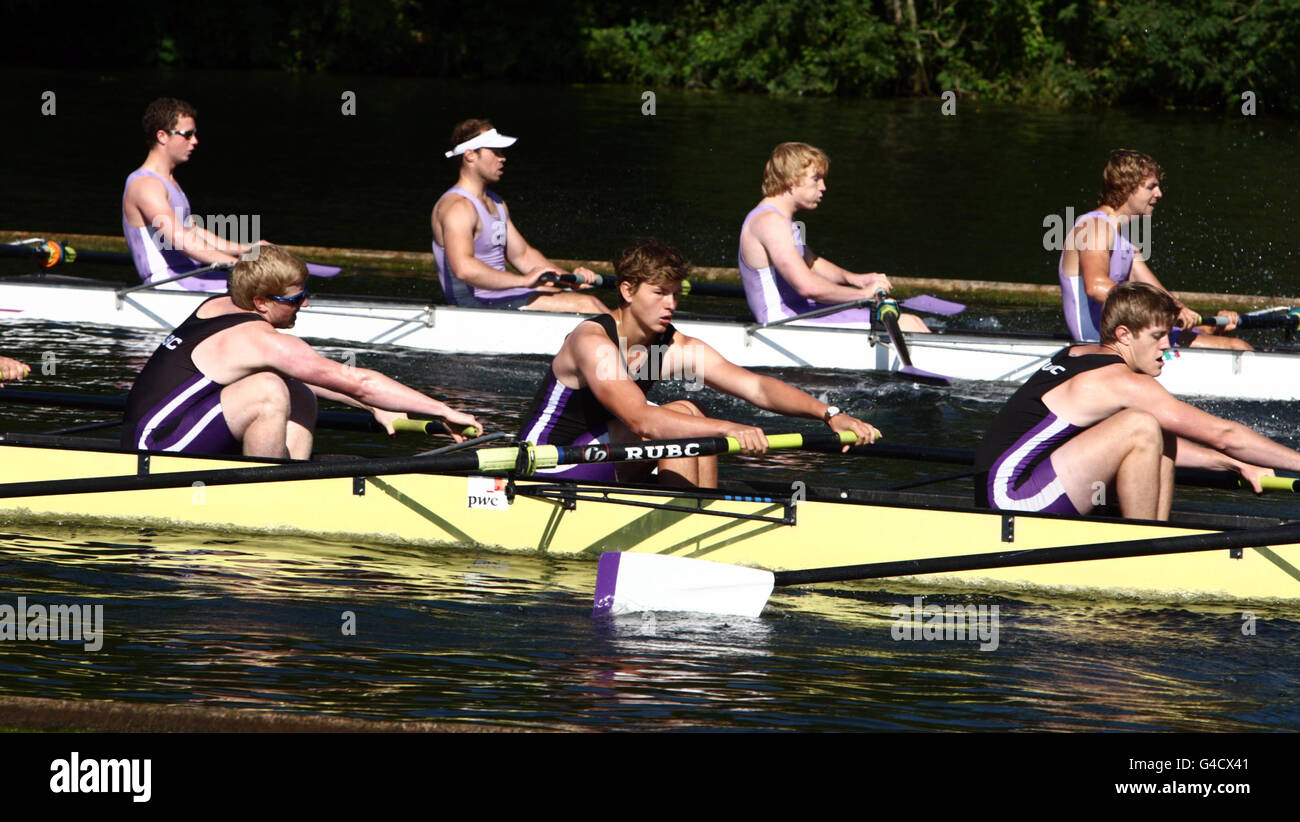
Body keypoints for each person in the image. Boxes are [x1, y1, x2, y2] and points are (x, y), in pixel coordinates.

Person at [519, 238, 881, 488]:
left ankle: (699, 510)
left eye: (675, 293)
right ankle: (689, 518)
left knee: (690, 410)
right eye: (659, 293)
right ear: (628, 291)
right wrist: (728, 430)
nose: (671, 305)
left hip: (602, 460)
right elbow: (640, 420)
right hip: (542, 468)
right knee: (678, 418)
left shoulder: (671, 345)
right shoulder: (593, 343)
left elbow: (755, 387)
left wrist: (830, 413)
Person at [973, 282, 1298, 521]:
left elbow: (1167, 444)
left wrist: (1234, 463)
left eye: (1168, 337)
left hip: (1013, 484)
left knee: (1155, 427)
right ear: (1125, 335)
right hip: (1013, 502)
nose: (1166, 348)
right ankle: (1143, 546)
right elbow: (1224, 434)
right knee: (1142, 425)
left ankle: (1152, 534)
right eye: (1157, 337)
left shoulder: (1080, 352)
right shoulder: (1119, 381)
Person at [121, 244, 480, 458]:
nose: (304, 304)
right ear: (261, 301)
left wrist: (376, 407)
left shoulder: (220, 304)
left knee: (298, 391)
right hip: (156, 448)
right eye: (294, 299)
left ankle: (289, 475)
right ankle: (263, 493)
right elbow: (356, 379)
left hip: (167, 427)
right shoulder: (262, 340)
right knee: (269, 391)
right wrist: (443, 410)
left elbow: (324, 378)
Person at [121, 97, 337, 293]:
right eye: (187, 134)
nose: (195, 141)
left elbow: (193, 231)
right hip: (166, 283)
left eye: (194, 134)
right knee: (271, 289)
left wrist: (248, 249)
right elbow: (181, 239)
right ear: (162, 136)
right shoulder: (145, 185)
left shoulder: (168, 182)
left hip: (192, 275)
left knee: (286, 286)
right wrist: (241, 265)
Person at [1058, 148, 1249, 349]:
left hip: (1129, 336)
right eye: (1151, 187)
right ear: (1126, 188)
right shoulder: (1096, 226)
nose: (1159, 193)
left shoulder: (1124, 237)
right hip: (1099, 344)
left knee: (1223, 338)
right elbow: (1096, 286)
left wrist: (1189, 315)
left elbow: (1157, 293)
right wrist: (1166, 310)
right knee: (1236, 347)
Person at [738, 141, 928, 332]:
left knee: (911, 321)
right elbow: (808, 287)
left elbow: (811, 262)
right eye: (816, 179)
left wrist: (856, 279)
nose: (823, 187)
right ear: (790, 179)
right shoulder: (771, 222)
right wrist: (863, 295)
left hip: (800, 310)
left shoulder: (782, 220)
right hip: (780, 320)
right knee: (908, 324)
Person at [431, 119, 608, 314]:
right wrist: (523, 281)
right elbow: (463, 268)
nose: (503, 158)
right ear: (470, 156)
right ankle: (627, 343)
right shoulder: (457, 207)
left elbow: (522, 255)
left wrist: (567, 281)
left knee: (589, 301)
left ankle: (629, 343)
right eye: (495, 152)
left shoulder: (496, 202)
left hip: (500, 296)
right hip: (472, 306)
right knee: (587, 306)